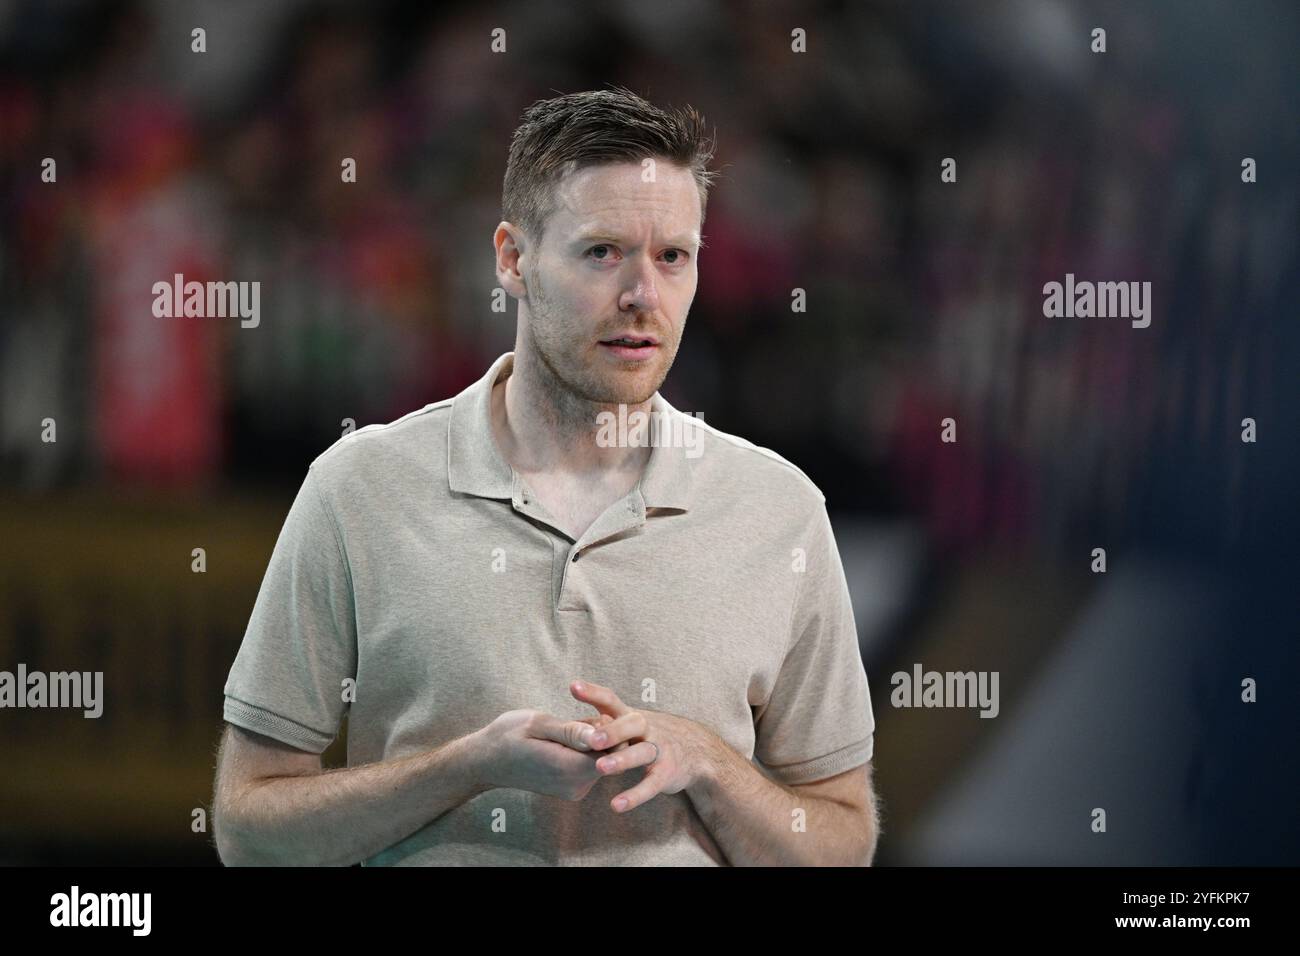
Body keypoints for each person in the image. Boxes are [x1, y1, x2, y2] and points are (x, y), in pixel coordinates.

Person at [213, 87, 879, 866]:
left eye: (673, 257)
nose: (642, 295)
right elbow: (246, 828)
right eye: (601, 251)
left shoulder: (779, 512)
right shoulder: (358, 489)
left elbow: (843, 839)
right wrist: (465, 768)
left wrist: (707, 761)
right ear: (512, 258)